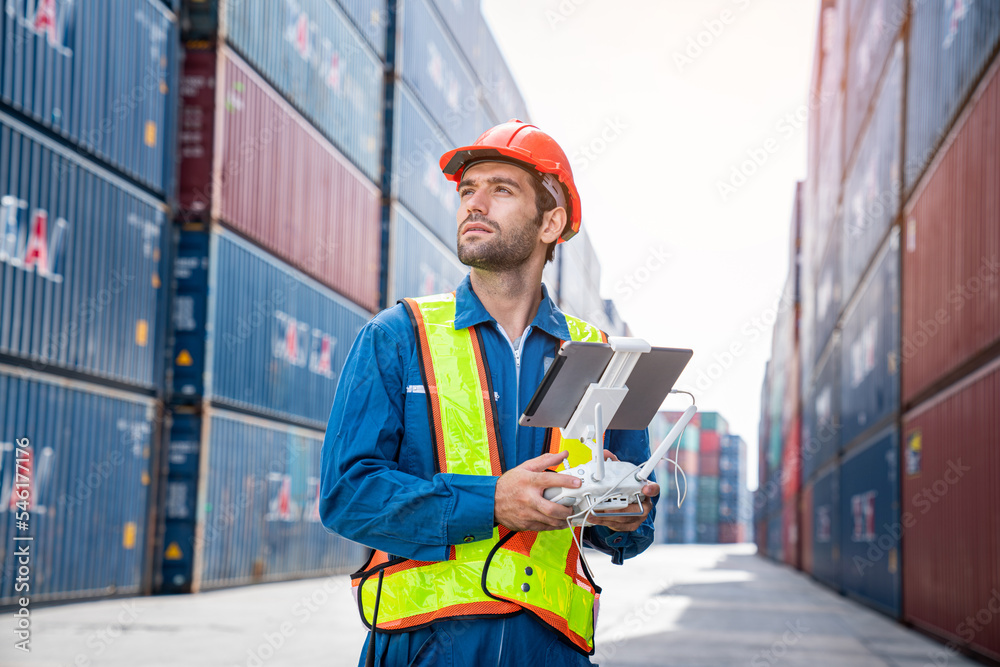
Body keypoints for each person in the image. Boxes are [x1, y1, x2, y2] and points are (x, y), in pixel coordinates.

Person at [320, 120, 659, 667]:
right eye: (466, 191)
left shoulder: (602, 355)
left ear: (552, 222)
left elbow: (629, 530)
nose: (474, 204)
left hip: (550, 649)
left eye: (501, 189)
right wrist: (491, 502)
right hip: (421, 649)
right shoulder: (396, 337)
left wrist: (627, 517)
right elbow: (346, 497)